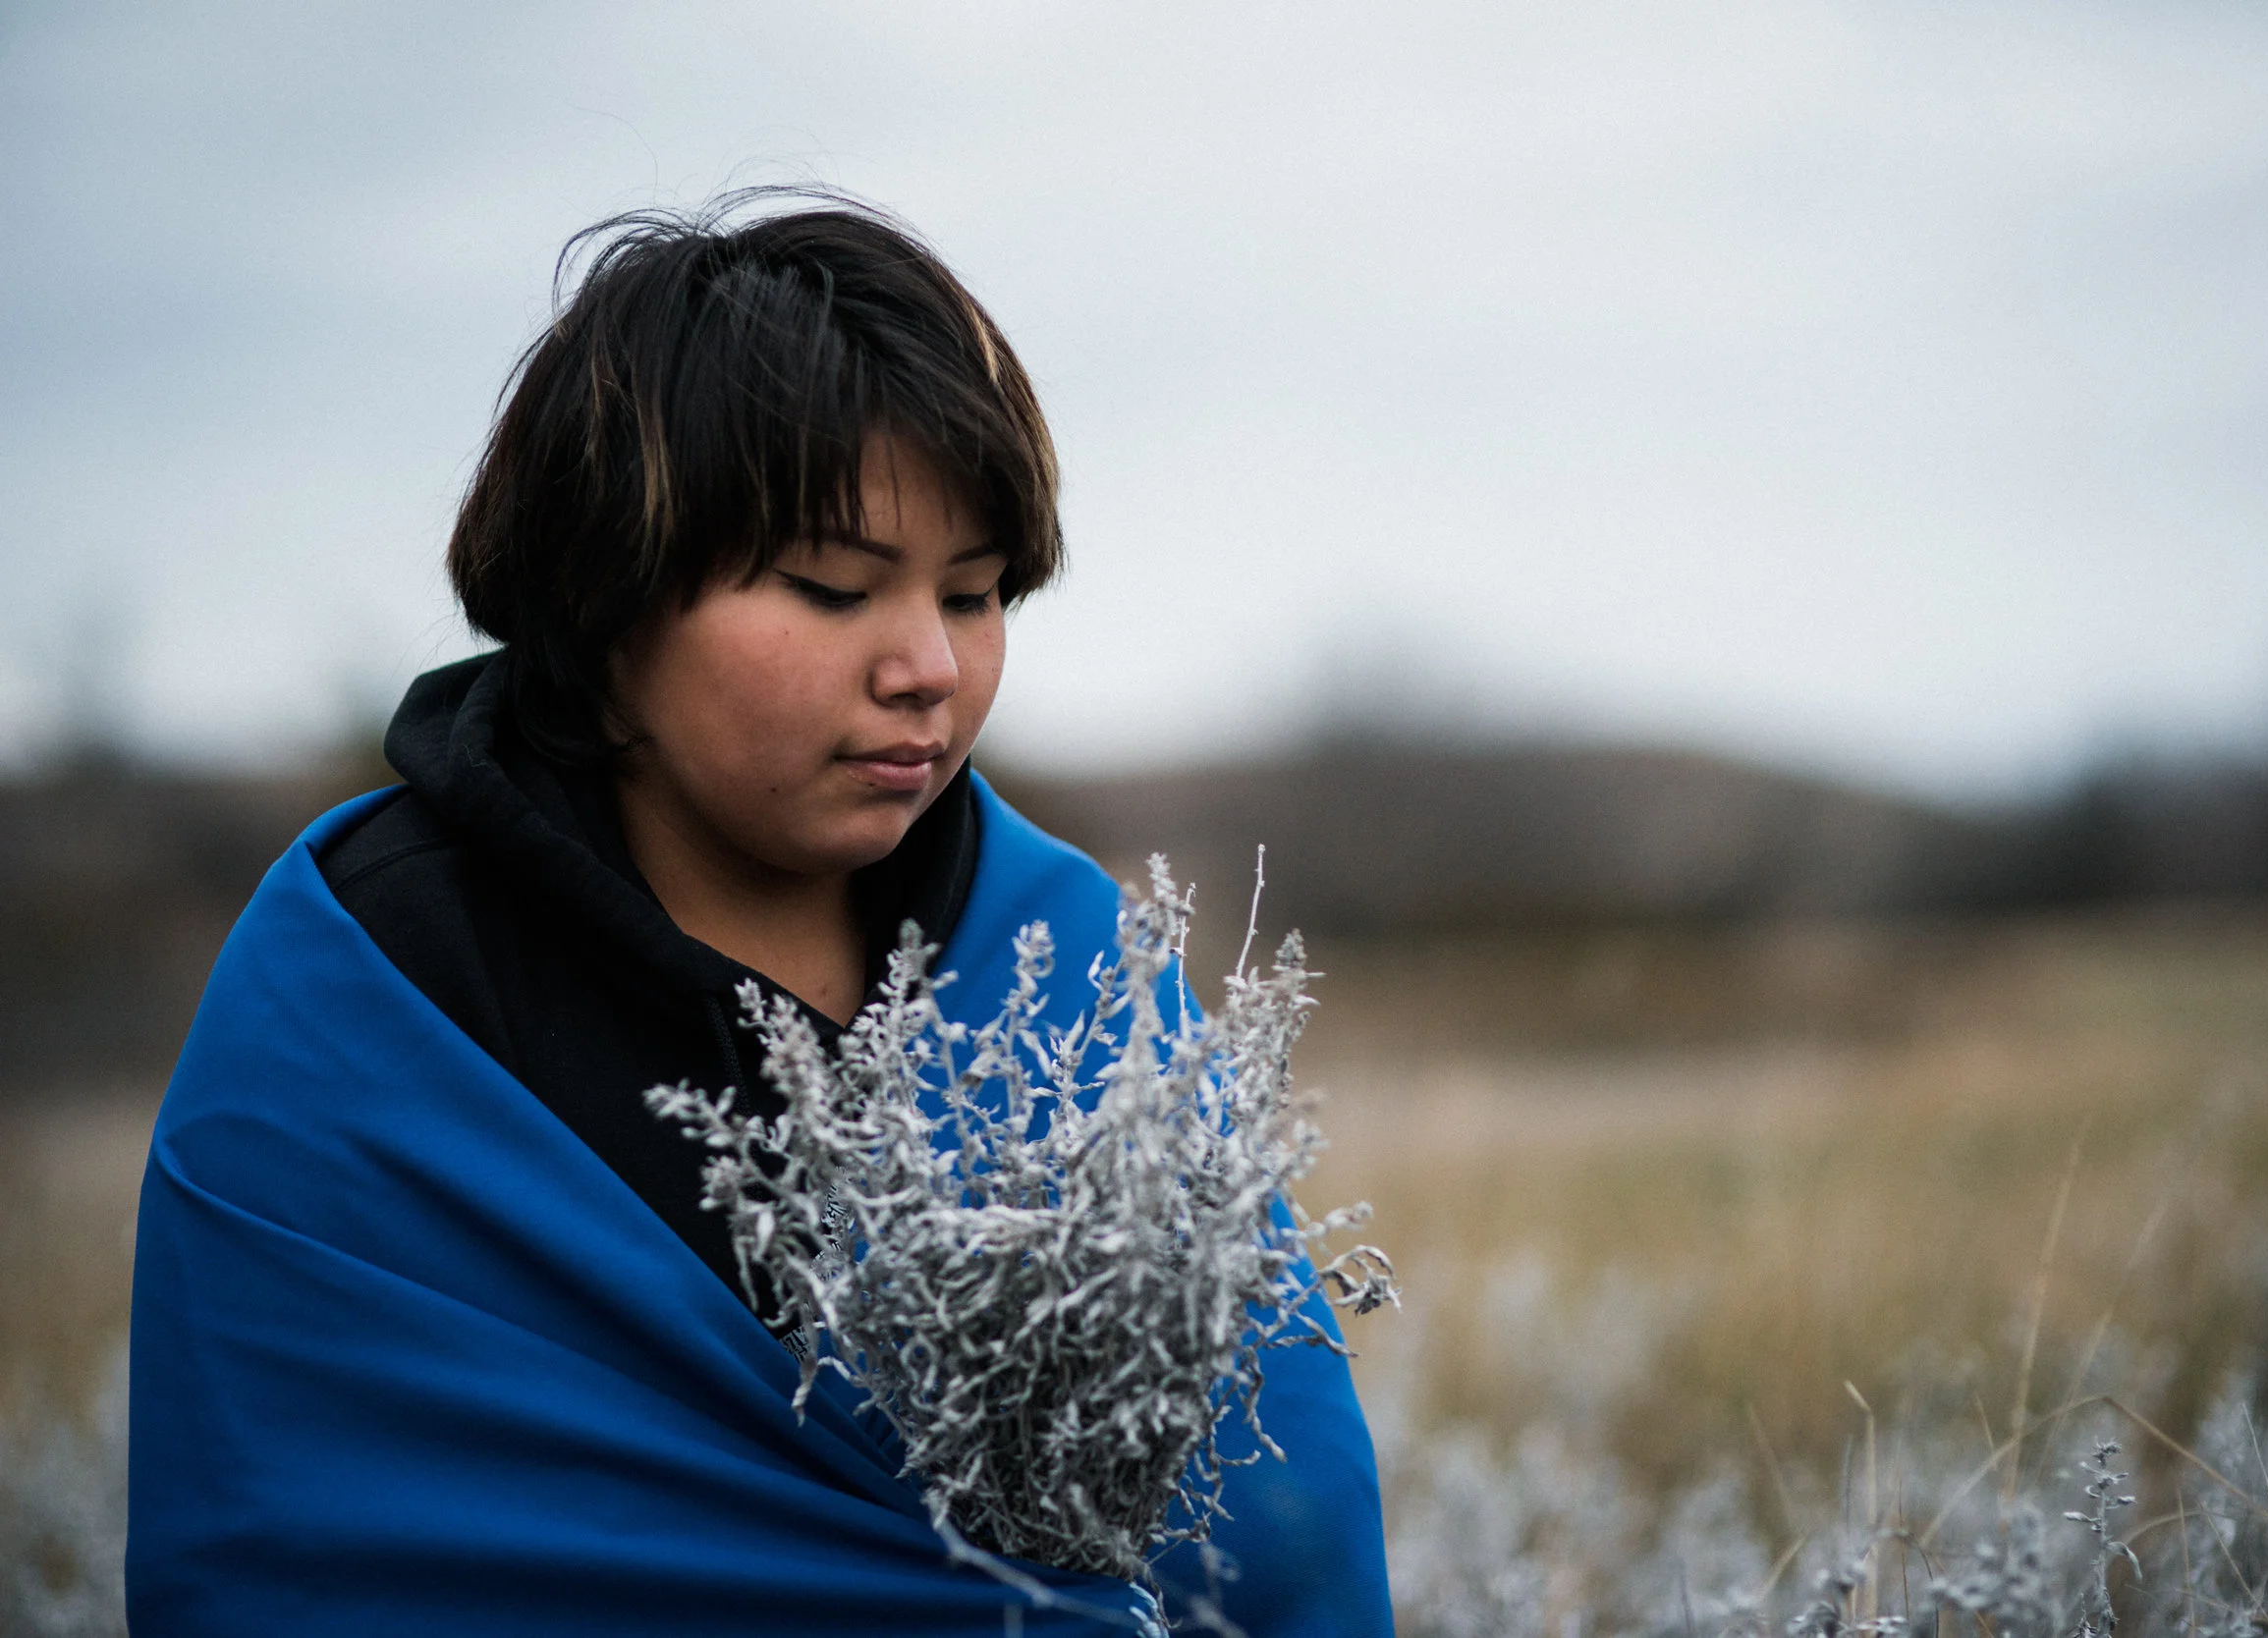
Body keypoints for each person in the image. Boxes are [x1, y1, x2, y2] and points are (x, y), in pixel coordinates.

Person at [126, 193, 1394, 1637]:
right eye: (833, 588)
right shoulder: (360, 987)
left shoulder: (1075, 967)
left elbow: (1286, 1521)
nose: (927, 665)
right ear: (607, 596)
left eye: (976, 596)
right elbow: (277, 1551)